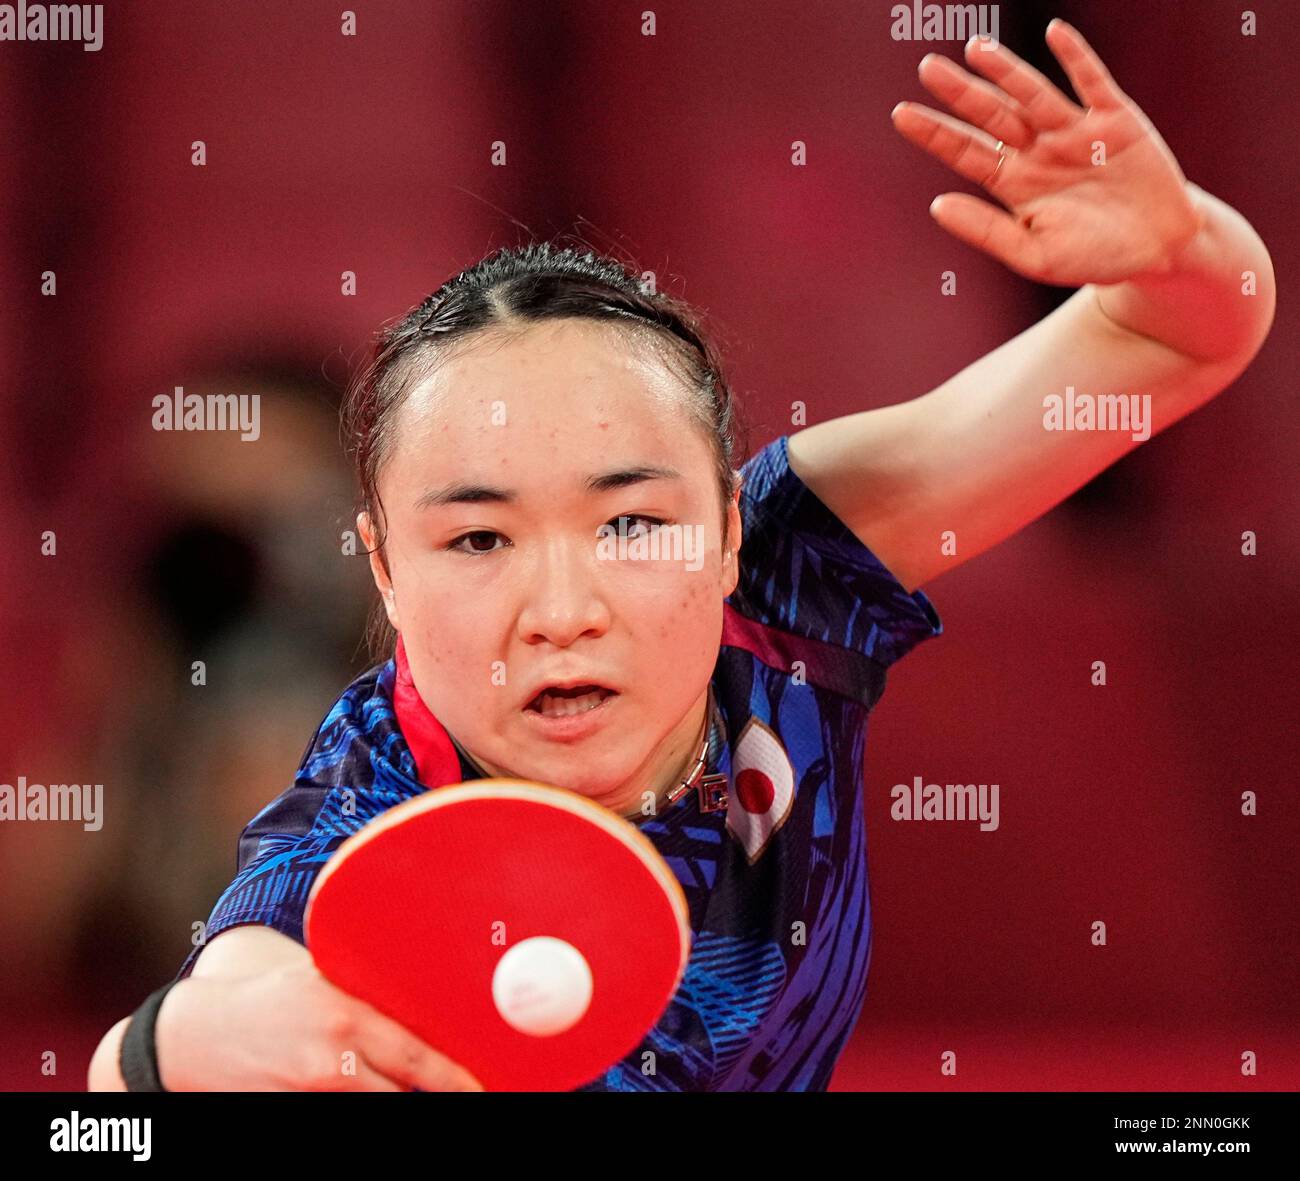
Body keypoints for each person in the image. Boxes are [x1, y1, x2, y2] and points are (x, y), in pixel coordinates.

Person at [88, 21, 1274, 1092]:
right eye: (479, 537)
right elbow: (168, 1045)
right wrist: (172, 1048)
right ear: (384, 570)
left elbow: (1171, 336)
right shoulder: (370, 799)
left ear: (724, 532)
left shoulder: (796, 577)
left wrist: (1180, 248)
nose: (562, 607)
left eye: (631, 523)